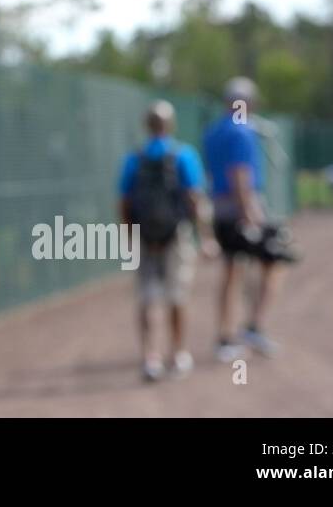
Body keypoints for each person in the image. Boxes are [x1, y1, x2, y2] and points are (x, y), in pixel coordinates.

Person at [118, 100, 216, 381]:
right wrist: (206, 237)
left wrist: (129, 239)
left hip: (143, 239)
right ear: (171, 125)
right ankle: (179, 353)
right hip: (176, 237)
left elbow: (123, 203)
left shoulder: (133, 159)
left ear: (146, 125)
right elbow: (194, 198)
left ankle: (150, 357)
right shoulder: (183, 155)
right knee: (177, 295)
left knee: (146, 298)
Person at [203, 77, 286, 362]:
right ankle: (253, 325)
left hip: (220, 208)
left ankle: (225, 336)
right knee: (273, 261)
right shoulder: (241, 132)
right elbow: (240, 176)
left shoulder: (214, 132)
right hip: (241, 209)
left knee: (231, 271)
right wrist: (250, 215)